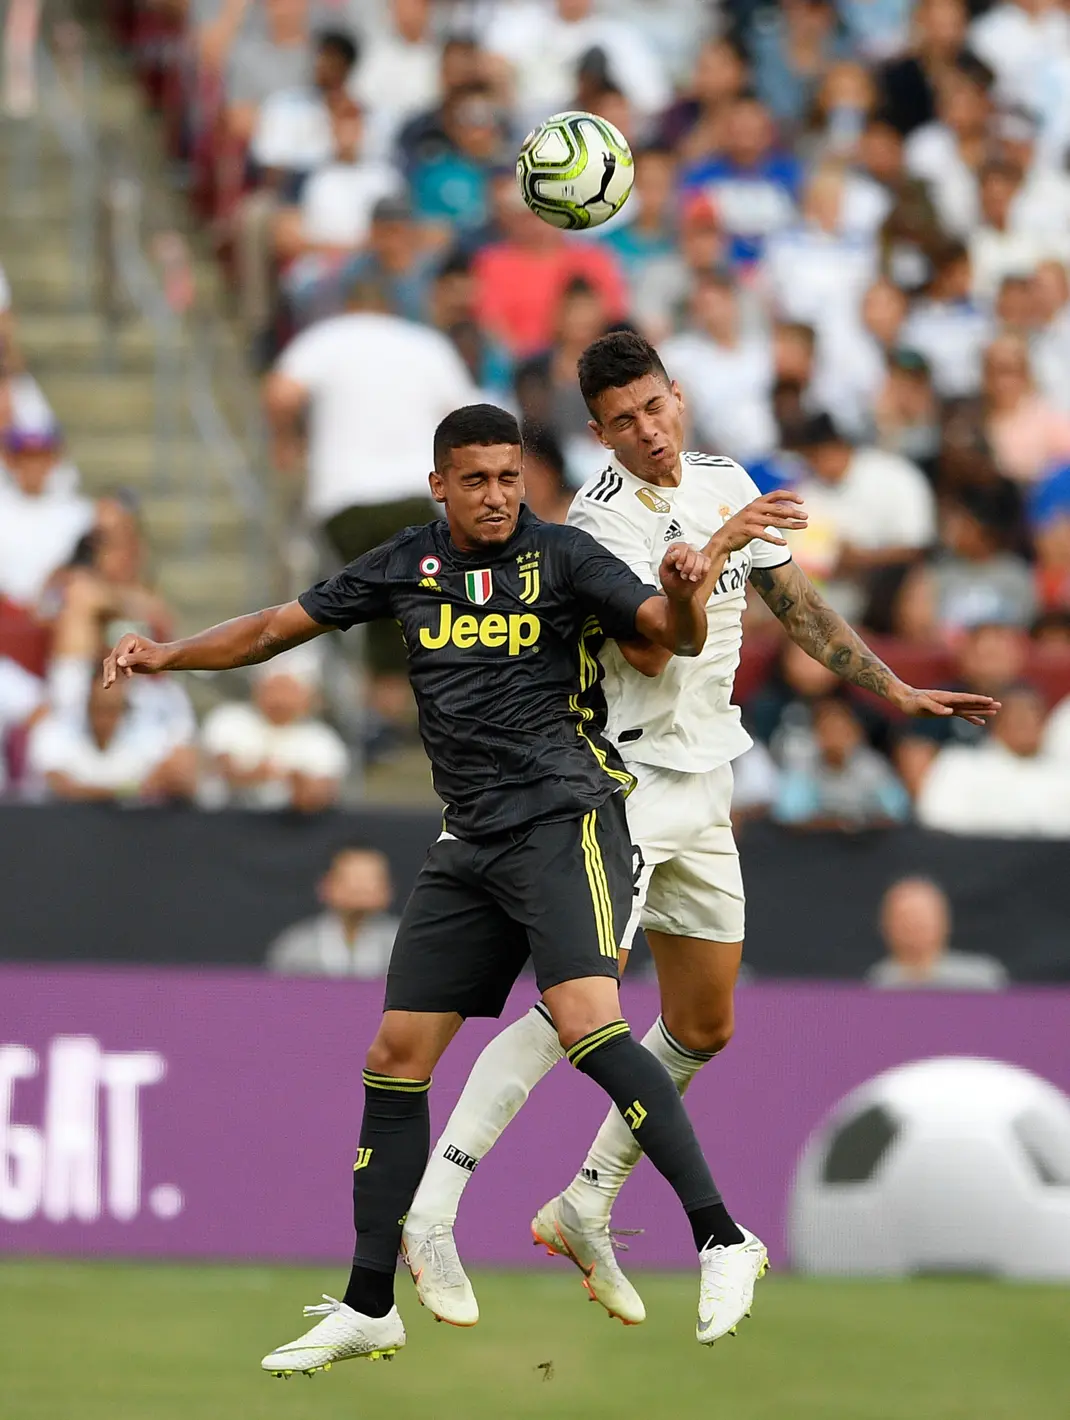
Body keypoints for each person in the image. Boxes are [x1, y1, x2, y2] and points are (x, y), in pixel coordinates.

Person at [103, 402, 765, 1364]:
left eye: (509, 477)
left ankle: (720, 1236)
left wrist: (688, 588)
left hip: (563, 817)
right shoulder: (404, 565)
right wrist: (170, 654)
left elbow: (668, 634)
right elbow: (272, 631)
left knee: (587, 1018)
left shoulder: (567, 559)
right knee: (395, 1051)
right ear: (440, 486)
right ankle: (371, 1302)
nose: (497, 496)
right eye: (477, 480)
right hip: (469, 841)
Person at [399, 333, 998, 1331]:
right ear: (599, 433)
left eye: (655, 406)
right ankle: (433, 1206)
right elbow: (663, 632)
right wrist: (722, 542)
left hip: (705, 783)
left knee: (703, 1023)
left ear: (677, 397)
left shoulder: (722, 478)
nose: (646, 429)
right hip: (619, 785)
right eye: (622, 420)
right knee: (572, 1010)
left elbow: (792, 602)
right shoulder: (596, 522)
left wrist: (891, 687)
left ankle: (585, 1199)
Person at [917, 682, 1070, 836]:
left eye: (1034, 716)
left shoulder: (1062, 774)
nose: (1027, 724)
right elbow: (936, 819)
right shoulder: (959, 766)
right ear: (995, 721)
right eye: (1018, 718)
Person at [266, 844, 400, 977]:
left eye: (372, 879)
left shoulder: (403, 945)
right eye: (352, 878)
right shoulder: (296, 947)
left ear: (388, 888)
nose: (361, 888)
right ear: (325, 885)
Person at [867, 877, 1009, 989]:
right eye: (904, 918)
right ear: (885, 924)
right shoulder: (879, 982)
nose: (913, 926)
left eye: (921, 918)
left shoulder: (981, 979)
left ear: (944, 920)